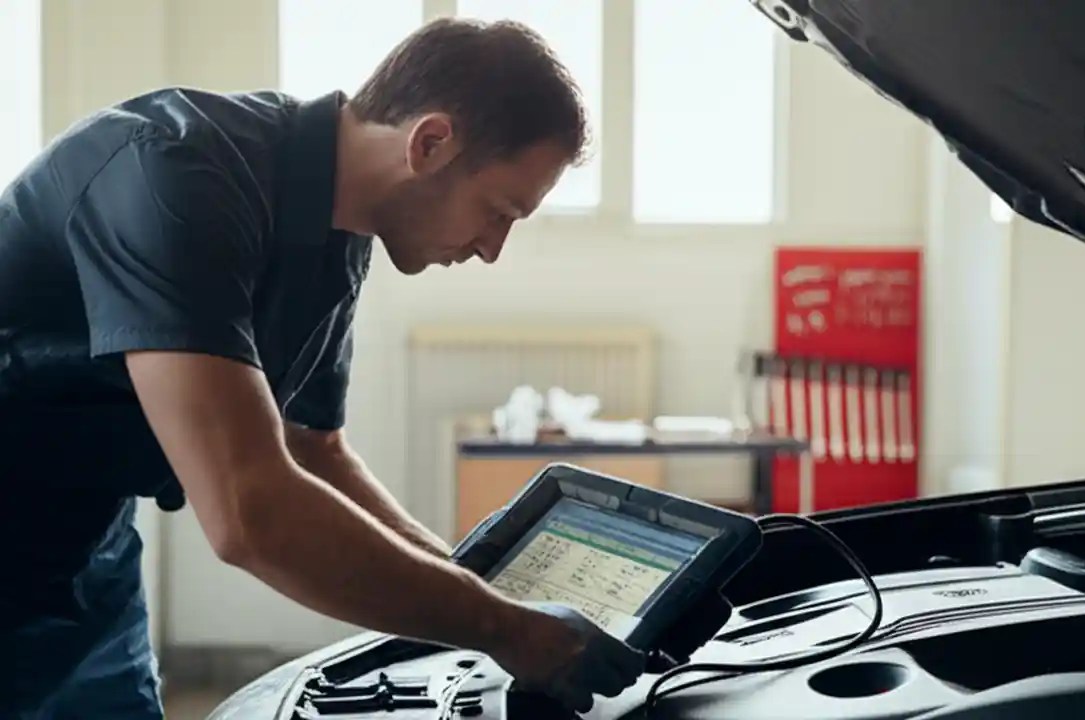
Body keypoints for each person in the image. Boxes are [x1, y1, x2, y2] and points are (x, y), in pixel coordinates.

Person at [0, 17, 645, 719]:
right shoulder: (174, 171)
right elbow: (249, 514)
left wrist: (478, 586)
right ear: (429, 143)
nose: (492, 248)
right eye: (498, 211)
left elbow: (313, 447)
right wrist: (505, 629)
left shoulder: (344, 233)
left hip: (85, 558)